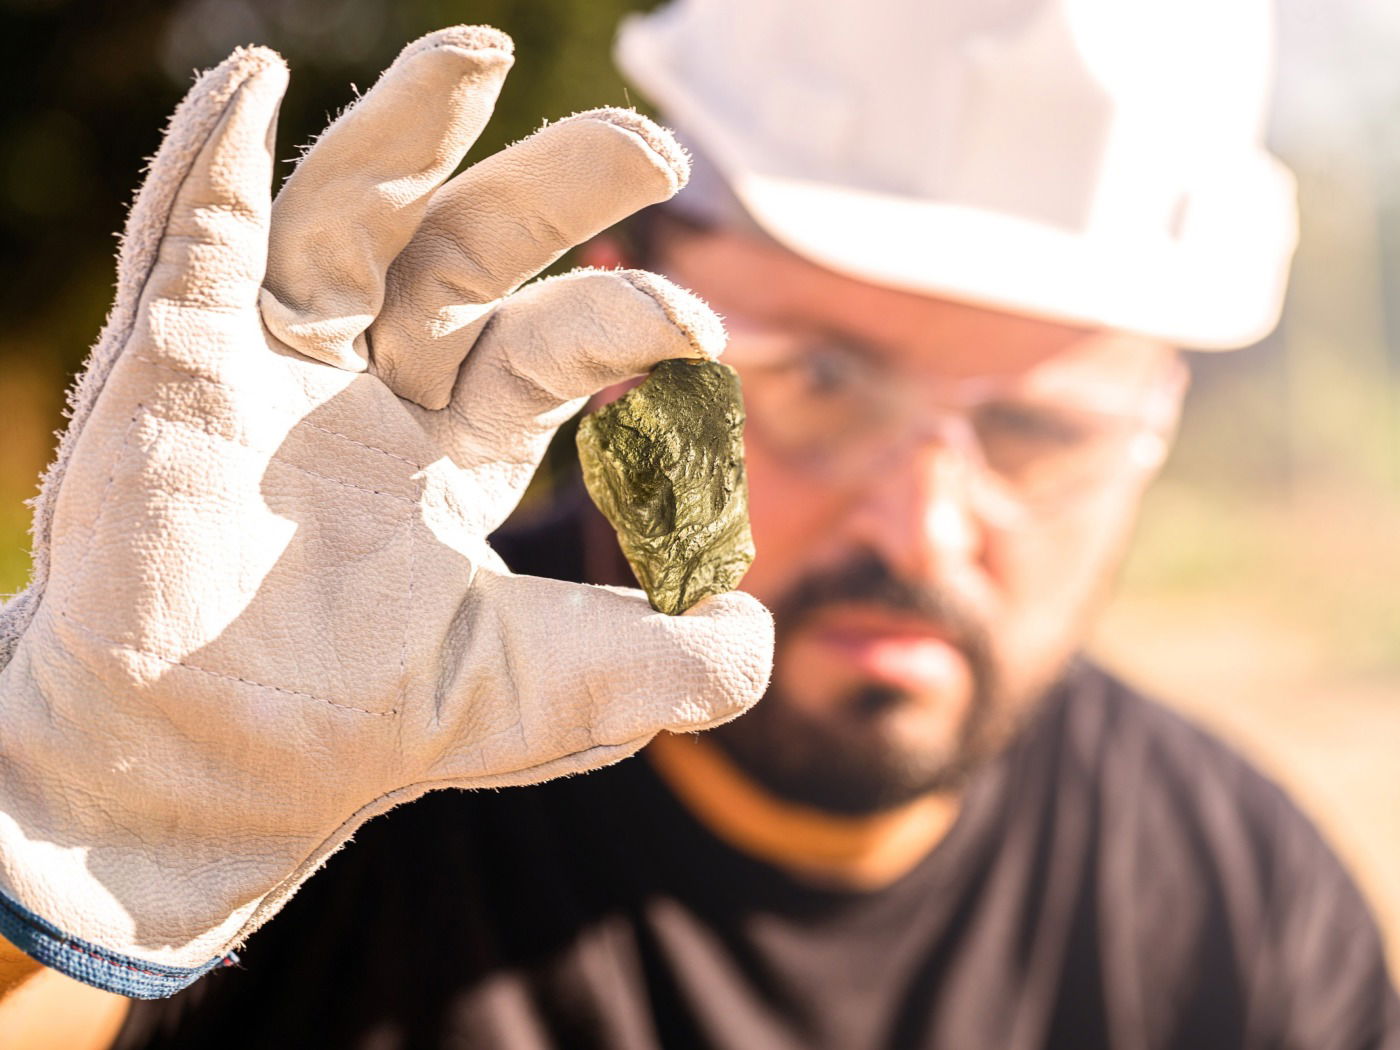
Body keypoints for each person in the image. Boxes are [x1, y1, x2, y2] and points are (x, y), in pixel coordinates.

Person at [0, 2, 1396, 1047]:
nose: (919, 526)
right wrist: (65, 819)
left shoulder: (1246, 915)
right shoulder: (317, 751)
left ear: (1157, 420)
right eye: (822, 379)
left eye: (1037, 430)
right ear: (619, 322)